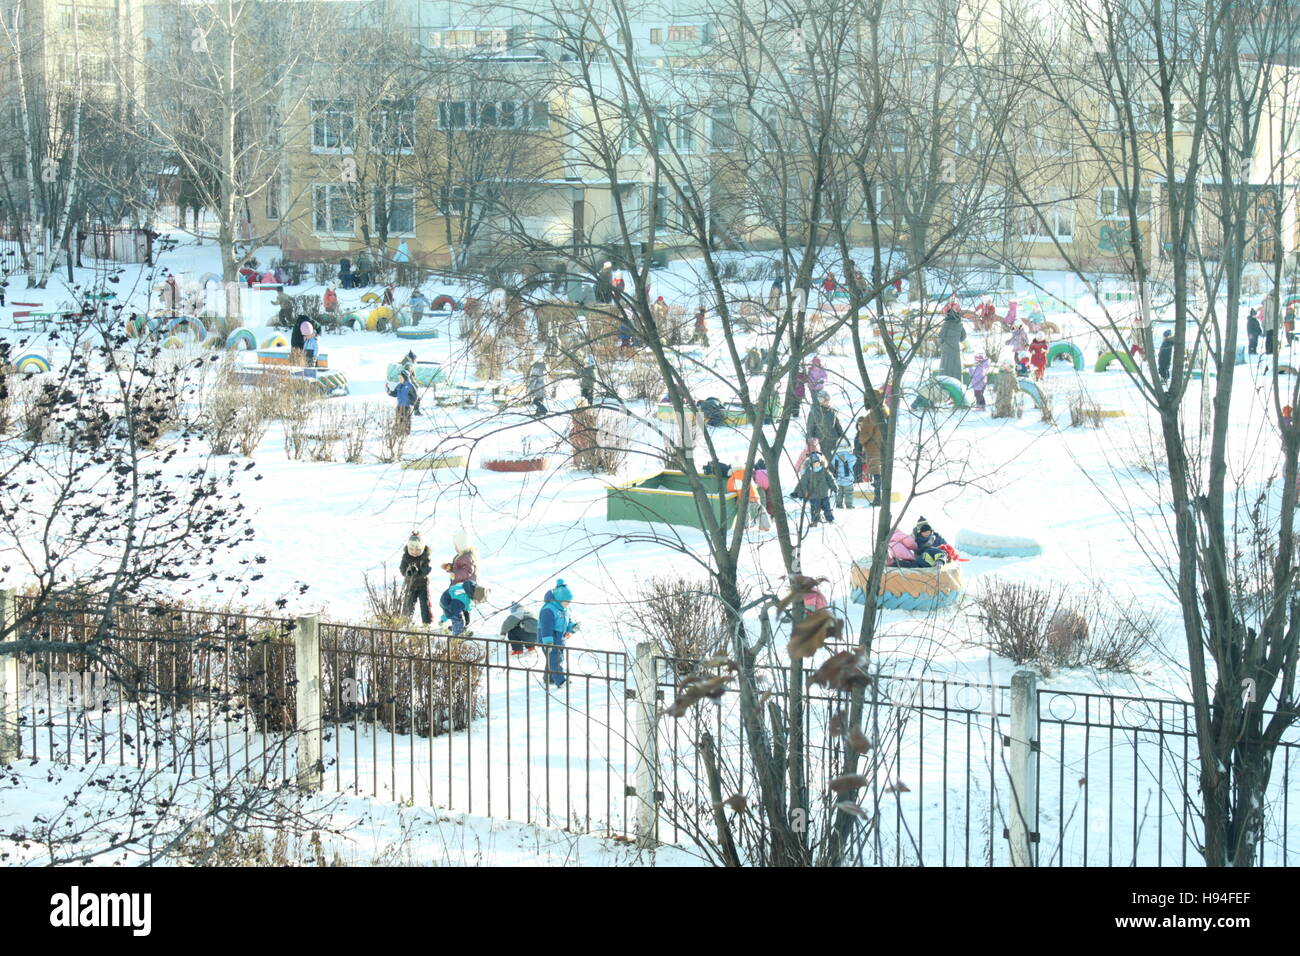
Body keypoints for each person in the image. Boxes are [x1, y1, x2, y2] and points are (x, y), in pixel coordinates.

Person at [539, 580, 577, 688]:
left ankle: (549, 678)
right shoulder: (548, 609)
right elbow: (546, 627)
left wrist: (572, 627)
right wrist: (548, 642)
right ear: (559, 599)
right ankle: (561, 681)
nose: (568, 603)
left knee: (552, 658)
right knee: (556, 659)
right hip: (549, 638)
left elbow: (567, 622)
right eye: (566, 601)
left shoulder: (565, 609)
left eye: (569, 601)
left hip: (560, 638)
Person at [856, 389, 887, 505]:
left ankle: (877, 499)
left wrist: (861, 429)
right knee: (883, 474)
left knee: (876, 475)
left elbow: (864, 435)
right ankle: (883, 497)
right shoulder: (886, 412)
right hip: (885, 448)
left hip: (874, 449)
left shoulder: (872, 416)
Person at [399, 532, 433, 624]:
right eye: (412, 550)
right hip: (411, 585)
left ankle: (427, 623)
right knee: (408, 604)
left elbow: (427, 569)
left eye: (417, 550)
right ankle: (405, 622)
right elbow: (402, 569)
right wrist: (408, 573)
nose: (414, 552)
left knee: (425, 604)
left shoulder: (425, 557)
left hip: (422, 585)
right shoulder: (406, 557)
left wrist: (418, 573)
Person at [795, 452, 836, 526]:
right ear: (811, 464)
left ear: (821, 462)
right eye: (814, 463)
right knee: (814, 510)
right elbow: (803, 483)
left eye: (818, 463)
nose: (816, 465)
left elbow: (830, 479)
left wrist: (834, 487)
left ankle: (830, 519)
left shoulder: (824, 471)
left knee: (827, 508)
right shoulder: (808, 472)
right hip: (813, 496)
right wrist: (800, 493)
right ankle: (815, 522)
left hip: (824, 495)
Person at [727, 463, 770, 531]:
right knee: (760, 509)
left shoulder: (733, 477)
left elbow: (730, 489)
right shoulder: (748, 475)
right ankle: (765, 526)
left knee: (745, 512)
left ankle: (746, 527)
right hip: (755, 496)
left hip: (744, 498)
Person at [807, 391, 845, 455]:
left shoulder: (832, 412)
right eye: (825, 400)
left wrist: (844, 438)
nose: (827, 402)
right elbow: (810, 429)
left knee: (834, 462)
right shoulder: (814, 413)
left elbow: (839, 427)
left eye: (828, 400)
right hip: (820, 443)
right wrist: (811, 443)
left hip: (833, 442)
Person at [939, 301, 966, 379]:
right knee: (956, 369)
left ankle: (945, 384)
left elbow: (940, 339)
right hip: (956, 350)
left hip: (946, 351)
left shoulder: (945, 325)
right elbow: (963, 337)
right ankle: (956, 384)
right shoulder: (960, 324)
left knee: (945, 369)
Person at [388, 369, 417, 436]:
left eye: (401, 378)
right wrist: (389, 391)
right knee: (398, 420)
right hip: (399, 406)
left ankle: (406, 434)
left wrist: (411, 403)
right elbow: (395, 393)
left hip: (407, 407)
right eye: (399, 378)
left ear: (405, 377)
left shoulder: (410, 386)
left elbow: (415, 397)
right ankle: (398, 432)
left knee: (406, 420)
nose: (399, 379)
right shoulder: (399, 386)